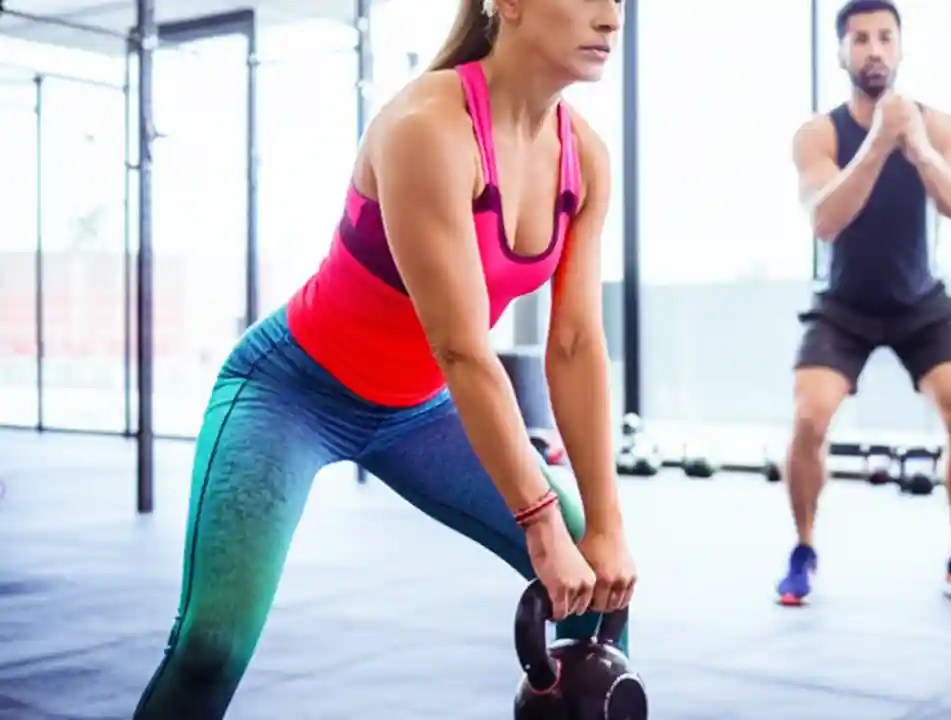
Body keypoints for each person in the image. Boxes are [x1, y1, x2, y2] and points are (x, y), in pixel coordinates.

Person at [133, 0, 635, 716]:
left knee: (598, 578)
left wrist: (607, 526)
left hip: (423, 408)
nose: (611, 17)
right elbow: (462, 347)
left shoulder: (583, 158)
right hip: (293, 393)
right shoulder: (427, 128)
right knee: (212, 642)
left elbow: (577, 341)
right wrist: (542, 523)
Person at [776, 0, 951, 612]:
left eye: (884, 38)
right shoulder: (819, 134)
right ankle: (803, 547)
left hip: (918, 301)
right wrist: (877, 142)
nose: (873, 49)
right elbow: (824, 221)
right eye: (860, 40)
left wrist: (919, 148)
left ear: (901, 49)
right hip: (845, 304)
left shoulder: (942, 127)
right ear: (842, 53)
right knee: (807, 417)